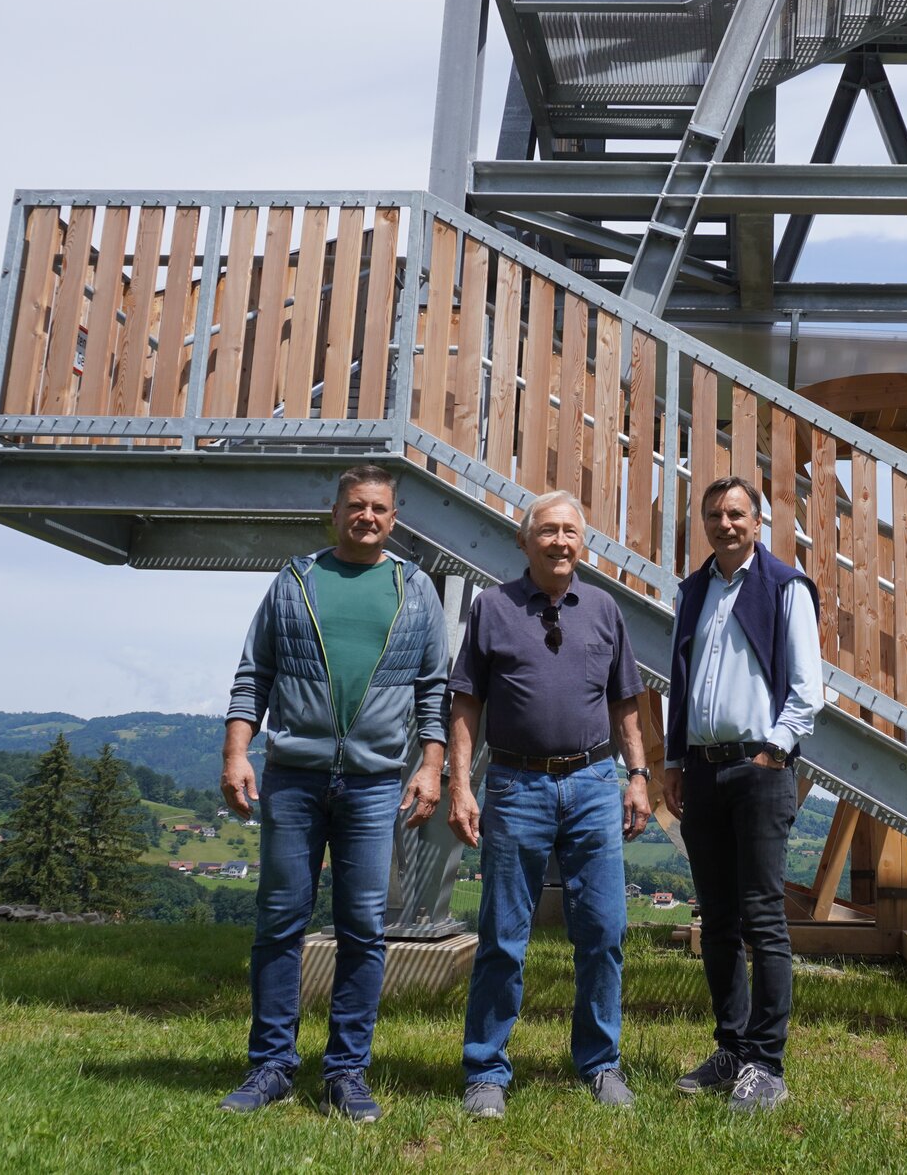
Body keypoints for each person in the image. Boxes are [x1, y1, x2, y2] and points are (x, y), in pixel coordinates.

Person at [216, 464, 450, 1123]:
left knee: (363, 928)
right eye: (356, 505)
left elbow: (434, 688)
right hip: (293, 776)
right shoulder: (295, 582)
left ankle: (346, 1072)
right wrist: (236, 752)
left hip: (375, 783)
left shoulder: (415, 589)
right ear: (335, 512)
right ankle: (271, 1065)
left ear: (393, 519)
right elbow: (253, 674)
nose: (367, 516)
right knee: (279, 920)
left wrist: (431, 766)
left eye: (379, 508)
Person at [446, 489, 652, 1119]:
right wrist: (461, 784)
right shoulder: (492, 607)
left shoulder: (605, 609)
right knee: (502, 936)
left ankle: (601, 1063)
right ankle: (486, 1071)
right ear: (524, 541)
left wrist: (638, 775)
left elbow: (625, 703)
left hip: (593, 783)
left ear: (581, 543)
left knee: (604, 932)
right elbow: (466, 702)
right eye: (547, 531)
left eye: (570, 531)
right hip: (516, 786)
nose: (560, 541)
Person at [661, 475, 823, 1114]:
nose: (724, 524)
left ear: (757, 523)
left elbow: (808, 690)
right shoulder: (693, 591)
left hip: (760, 769)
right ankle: (731, 1048)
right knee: (718, 919)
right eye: (714, 515)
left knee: (762, 917)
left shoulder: (785, 587)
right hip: (702, 770)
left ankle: (766, 1064)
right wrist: (675, 761)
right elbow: (681, 679)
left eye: (736, 514)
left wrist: (772, 752)